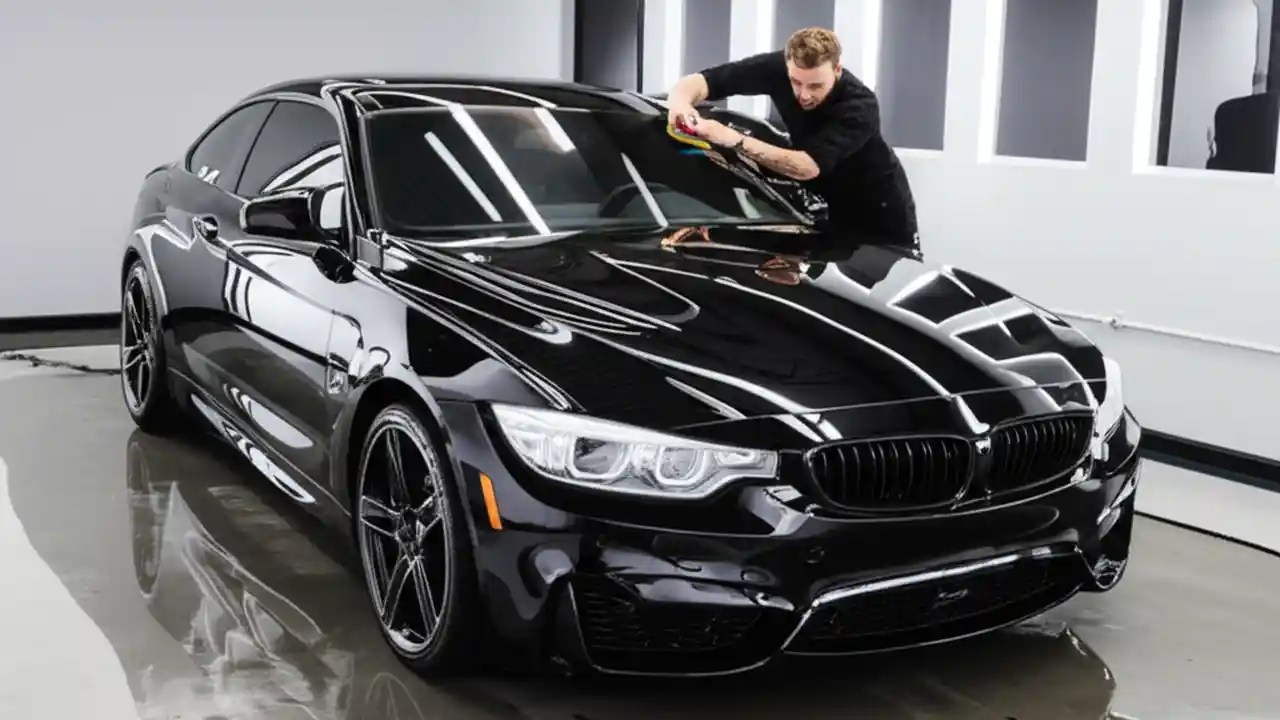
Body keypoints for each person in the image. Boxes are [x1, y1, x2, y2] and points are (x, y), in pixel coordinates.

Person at [665, 27, 920, 253]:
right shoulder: (778, 67)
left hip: (880, 213)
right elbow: (703, 81)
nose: (804, 95)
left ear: (837, 70)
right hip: (828, 206)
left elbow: (806, 166)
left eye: (816, 86)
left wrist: (734, 139)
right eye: (796, 82)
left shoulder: (859, 106)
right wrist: (679, 106)